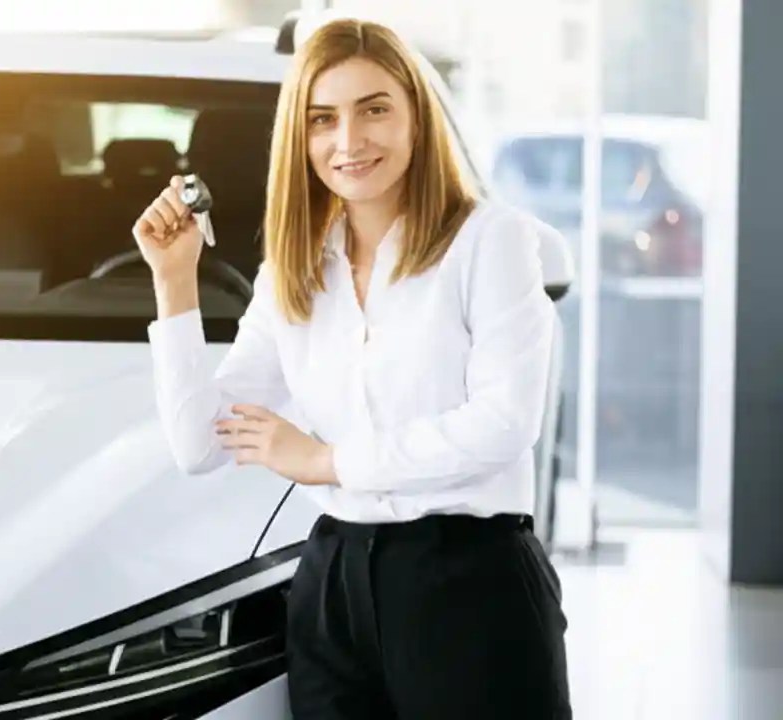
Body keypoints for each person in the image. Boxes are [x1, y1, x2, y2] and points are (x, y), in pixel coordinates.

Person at [133, 18, 572, 720]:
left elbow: (502, 426)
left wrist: (327, 460)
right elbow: (199, 444)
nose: (348, 141)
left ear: (415, 119)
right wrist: (174, 284)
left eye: (374, 109)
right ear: (300, 139)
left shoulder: (492, 242)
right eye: (323, 119)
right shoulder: (293, 272)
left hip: (470, 581)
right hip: (333, 587)